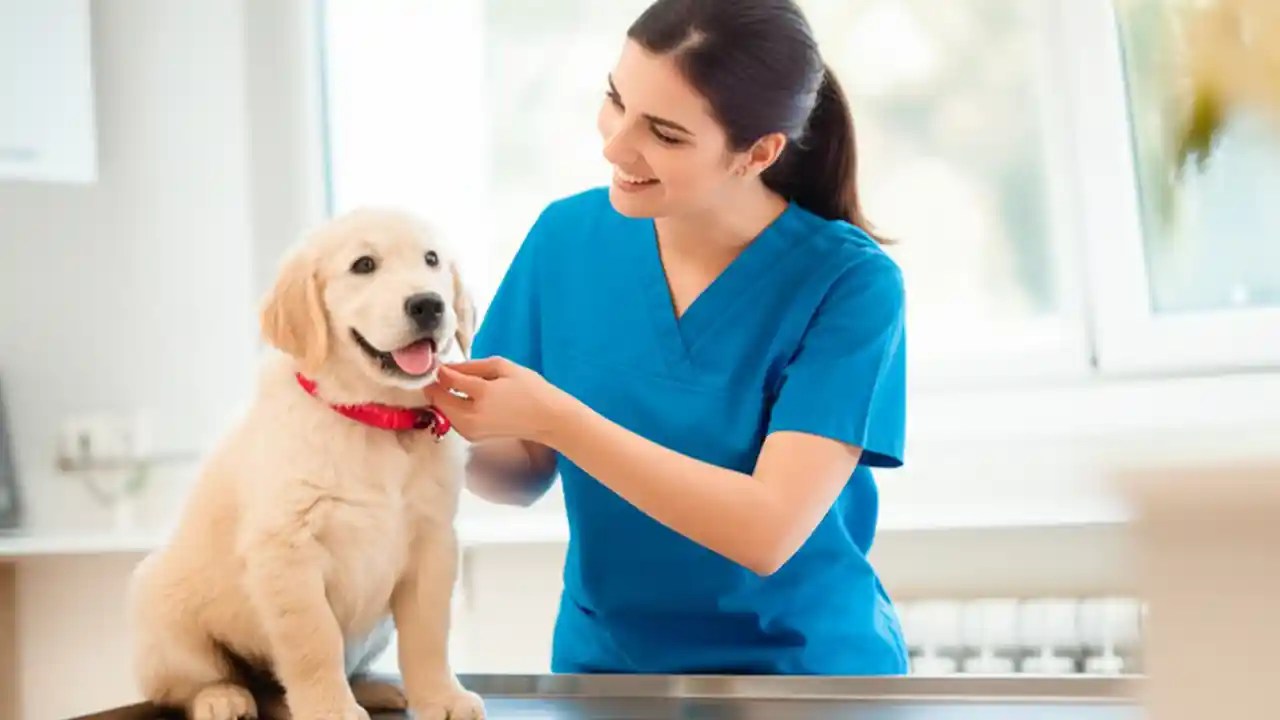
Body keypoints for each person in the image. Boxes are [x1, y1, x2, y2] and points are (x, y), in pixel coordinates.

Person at [426, 0, 908, 676]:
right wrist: (424, 415)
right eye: (615, 101)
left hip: (801, 676)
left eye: (664, 132)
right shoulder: (565, 238)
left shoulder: (850, 284)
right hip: (608, 673)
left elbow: (766, 530)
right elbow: (518, 474)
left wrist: (561, 420)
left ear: (759, 152)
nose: (615, 146)